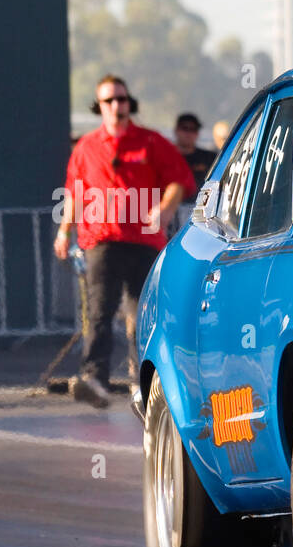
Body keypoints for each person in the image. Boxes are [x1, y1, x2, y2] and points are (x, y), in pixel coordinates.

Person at [54, 74, 196, 408]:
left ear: (129, 104)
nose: (117, 106)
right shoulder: (86, 147)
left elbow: (178, 181)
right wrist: (64, 231)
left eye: (122, 99)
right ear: (99, 106)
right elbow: (74, 192)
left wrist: (163, 210)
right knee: (99, 311)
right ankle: (95, 380)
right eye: (109, 100)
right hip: (101, 240)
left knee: (141, 315)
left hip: (144, 241)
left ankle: (142, 386)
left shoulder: (150, 142)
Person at [173, 112, 217, 190]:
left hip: (200, 201)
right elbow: (152, 184)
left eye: (193, 129)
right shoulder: (163, 157)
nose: (189, 133)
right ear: (176, 130)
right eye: (185, 128)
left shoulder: (210, 158)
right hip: (168, 202)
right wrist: (153, 202)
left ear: (197, 133)